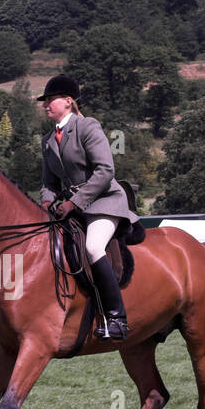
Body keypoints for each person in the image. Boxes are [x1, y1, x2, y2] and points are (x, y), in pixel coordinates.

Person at [37, 74, 139, 339]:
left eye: (51, 99)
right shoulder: (48, 139)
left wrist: (74, 201)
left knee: (93, 247)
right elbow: (48, 182)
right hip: (73, 207)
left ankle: (117, 318)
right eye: (45, 100)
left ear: (68, 102)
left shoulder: (88, 127)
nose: (46, 104)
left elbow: (105, 170)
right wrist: (47, 200)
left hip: (104, 202)